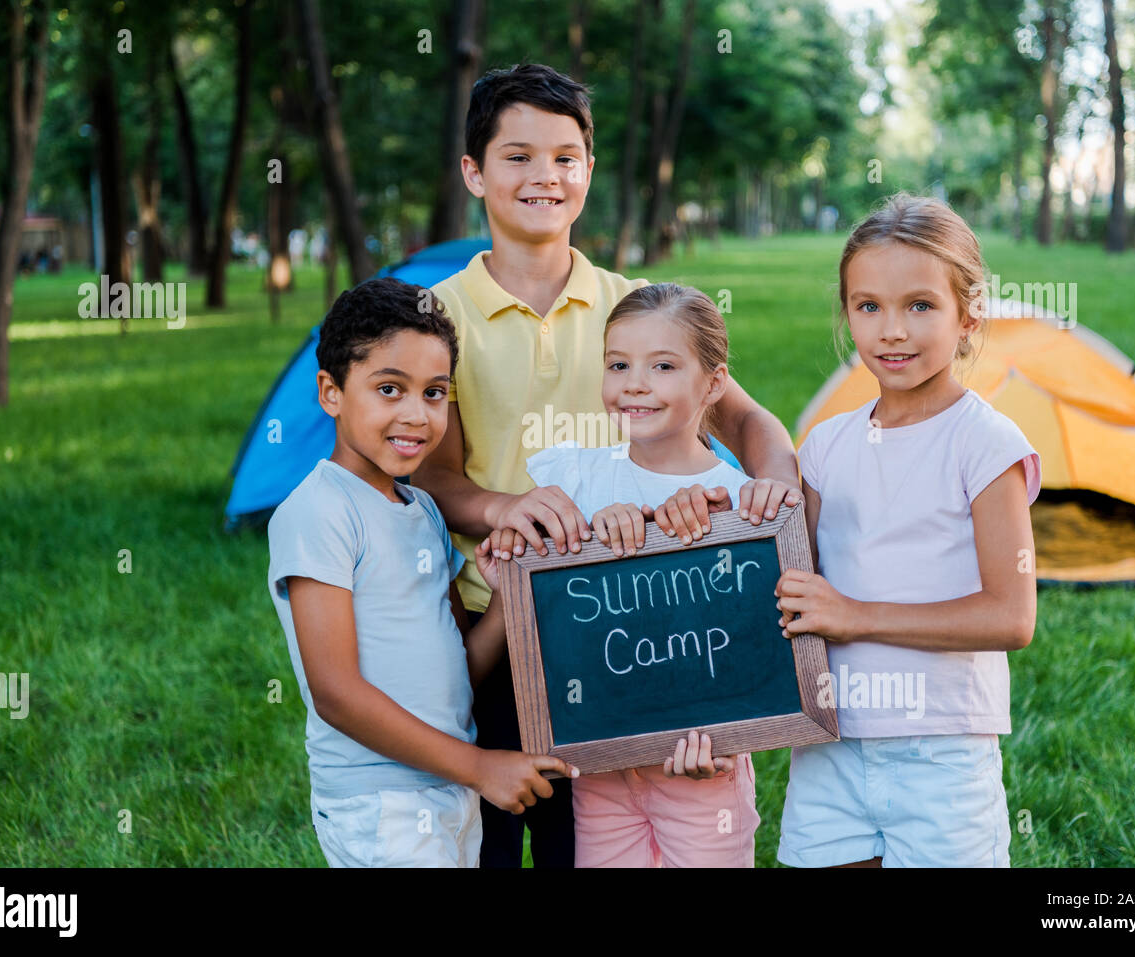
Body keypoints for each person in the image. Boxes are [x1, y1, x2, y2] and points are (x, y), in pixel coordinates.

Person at [412, 61, 801, 870]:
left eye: (565, 156)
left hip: (635, 632)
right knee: (485, 841)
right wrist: (506, 509)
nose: (544, 176)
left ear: (589, 170)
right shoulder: (439, 317)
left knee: (580, 846)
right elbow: (435, 476)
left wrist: (776, 498)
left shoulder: (637, 306)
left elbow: (749, 418)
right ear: (474, 172)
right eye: (517, 156)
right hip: (501, 627)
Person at [266, 278, 575, 869]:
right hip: (381, 803)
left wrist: (511, 600)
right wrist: (482, 766)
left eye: (435, 394)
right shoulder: (317, 512)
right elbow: (335, 692)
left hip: (448, 789)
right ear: (330, 392)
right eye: (389, 389)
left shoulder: (425, 510)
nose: (416, 415)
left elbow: (459, 660)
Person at [774, 193, 1040, 868]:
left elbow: (1011, 616)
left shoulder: (985, 445)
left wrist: (855, 616)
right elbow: (784, 588)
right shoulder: (827, 446)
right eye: (869, 306)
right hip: (830, 742)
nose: (892, 330)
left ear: (968, 314)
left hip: (942, 753)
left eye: (920, 305)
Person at [510, 282, 761, 867]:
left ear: (714, 384)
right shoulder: (577, 479)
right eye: (618, 364)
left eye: (664, 366)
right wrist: (589, 537)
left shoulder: (739, 506)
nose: (635, 383)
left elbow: (753, 645)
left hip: (702, 771)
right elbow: (530, 594)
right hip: (598, 766)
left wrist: (730, 740)